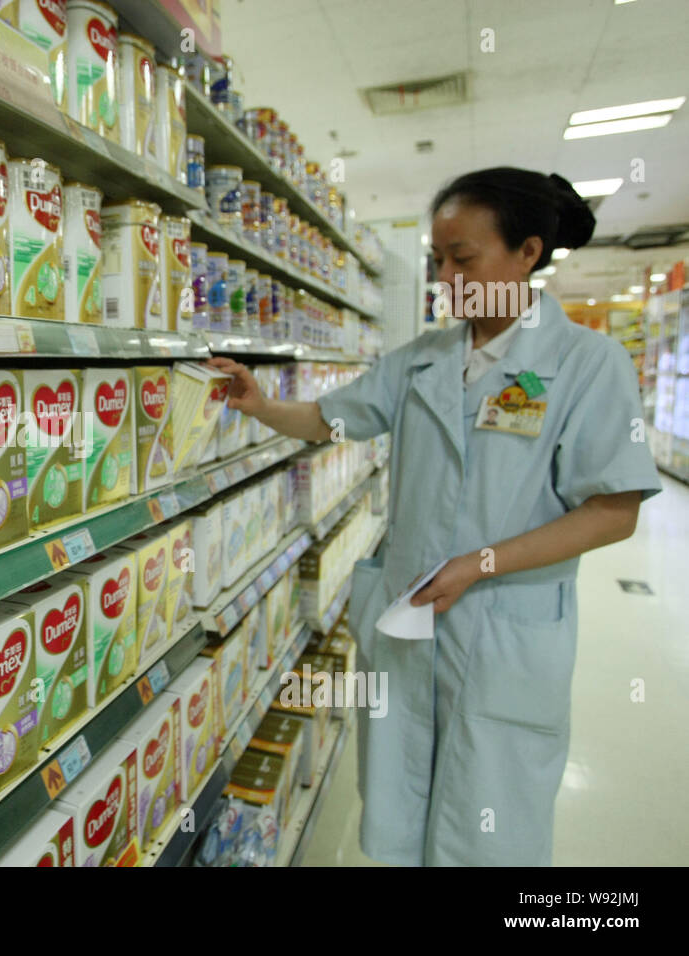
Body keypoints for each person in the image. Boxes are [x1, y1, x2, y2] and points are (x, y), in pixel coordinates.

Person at [210, 167, 661, 866]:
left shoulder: (586, 363)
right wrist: (261, 402)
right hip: (411, 621)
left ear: (527, 253)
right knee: (399, 815)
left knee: (487, 830)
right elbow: (331, 420)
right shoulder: (423, 359)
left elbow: (612, 511)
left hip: (503, 631)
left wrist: (480, 564)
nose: (446, 278)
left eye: (464, 259)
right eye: (438, 260)